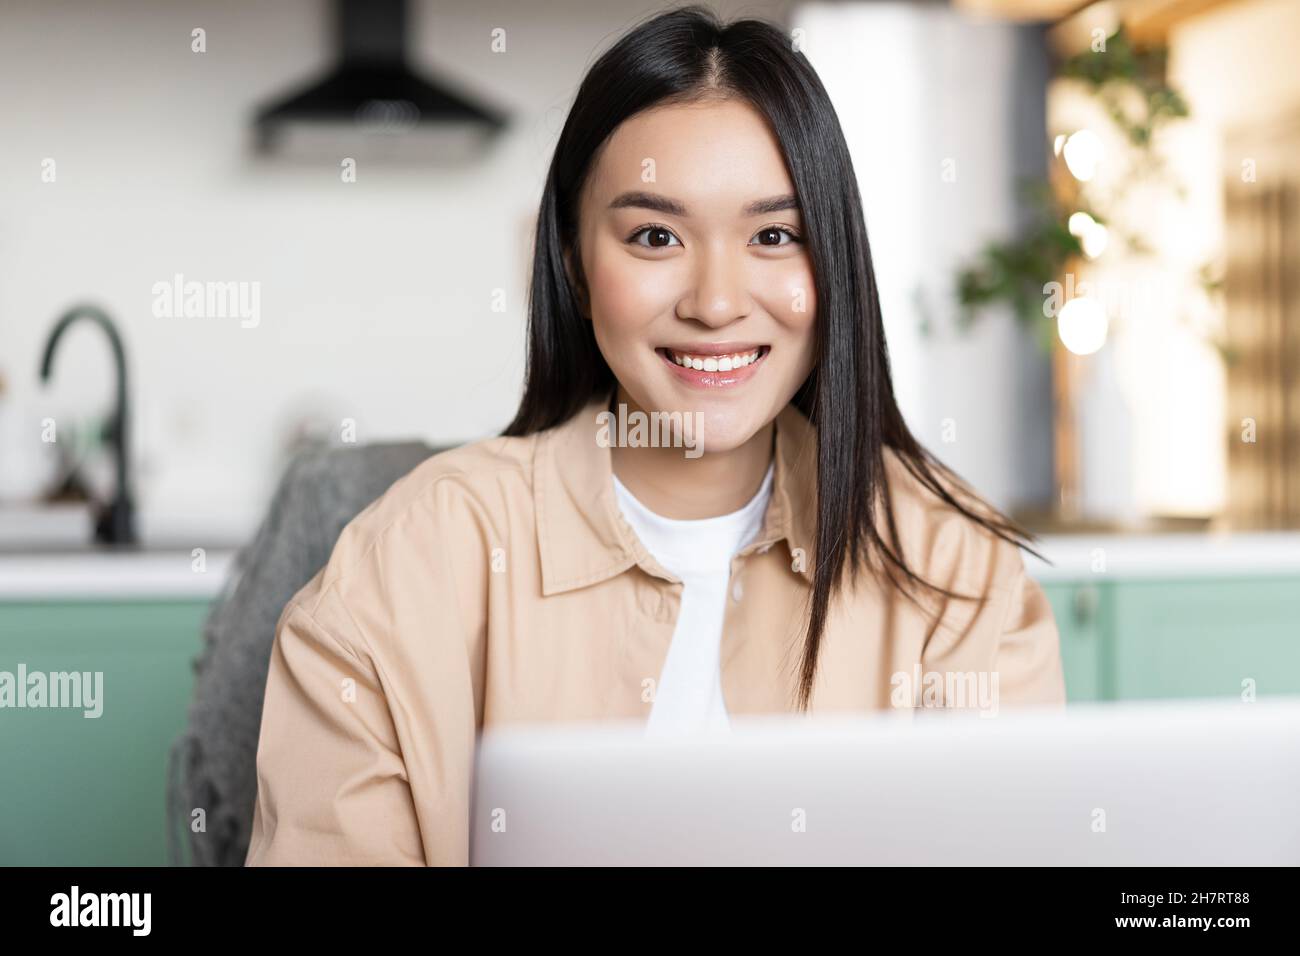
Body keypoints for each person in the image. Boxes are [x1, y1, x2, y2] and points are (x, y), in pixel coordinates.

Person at [245, 4, 1065, 867]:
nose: (715, 302)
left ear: (834, 263)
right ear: (571, 260)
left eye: (775, 235)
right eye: (655, 235)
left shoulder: (955, 569)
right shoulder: (405, 565)